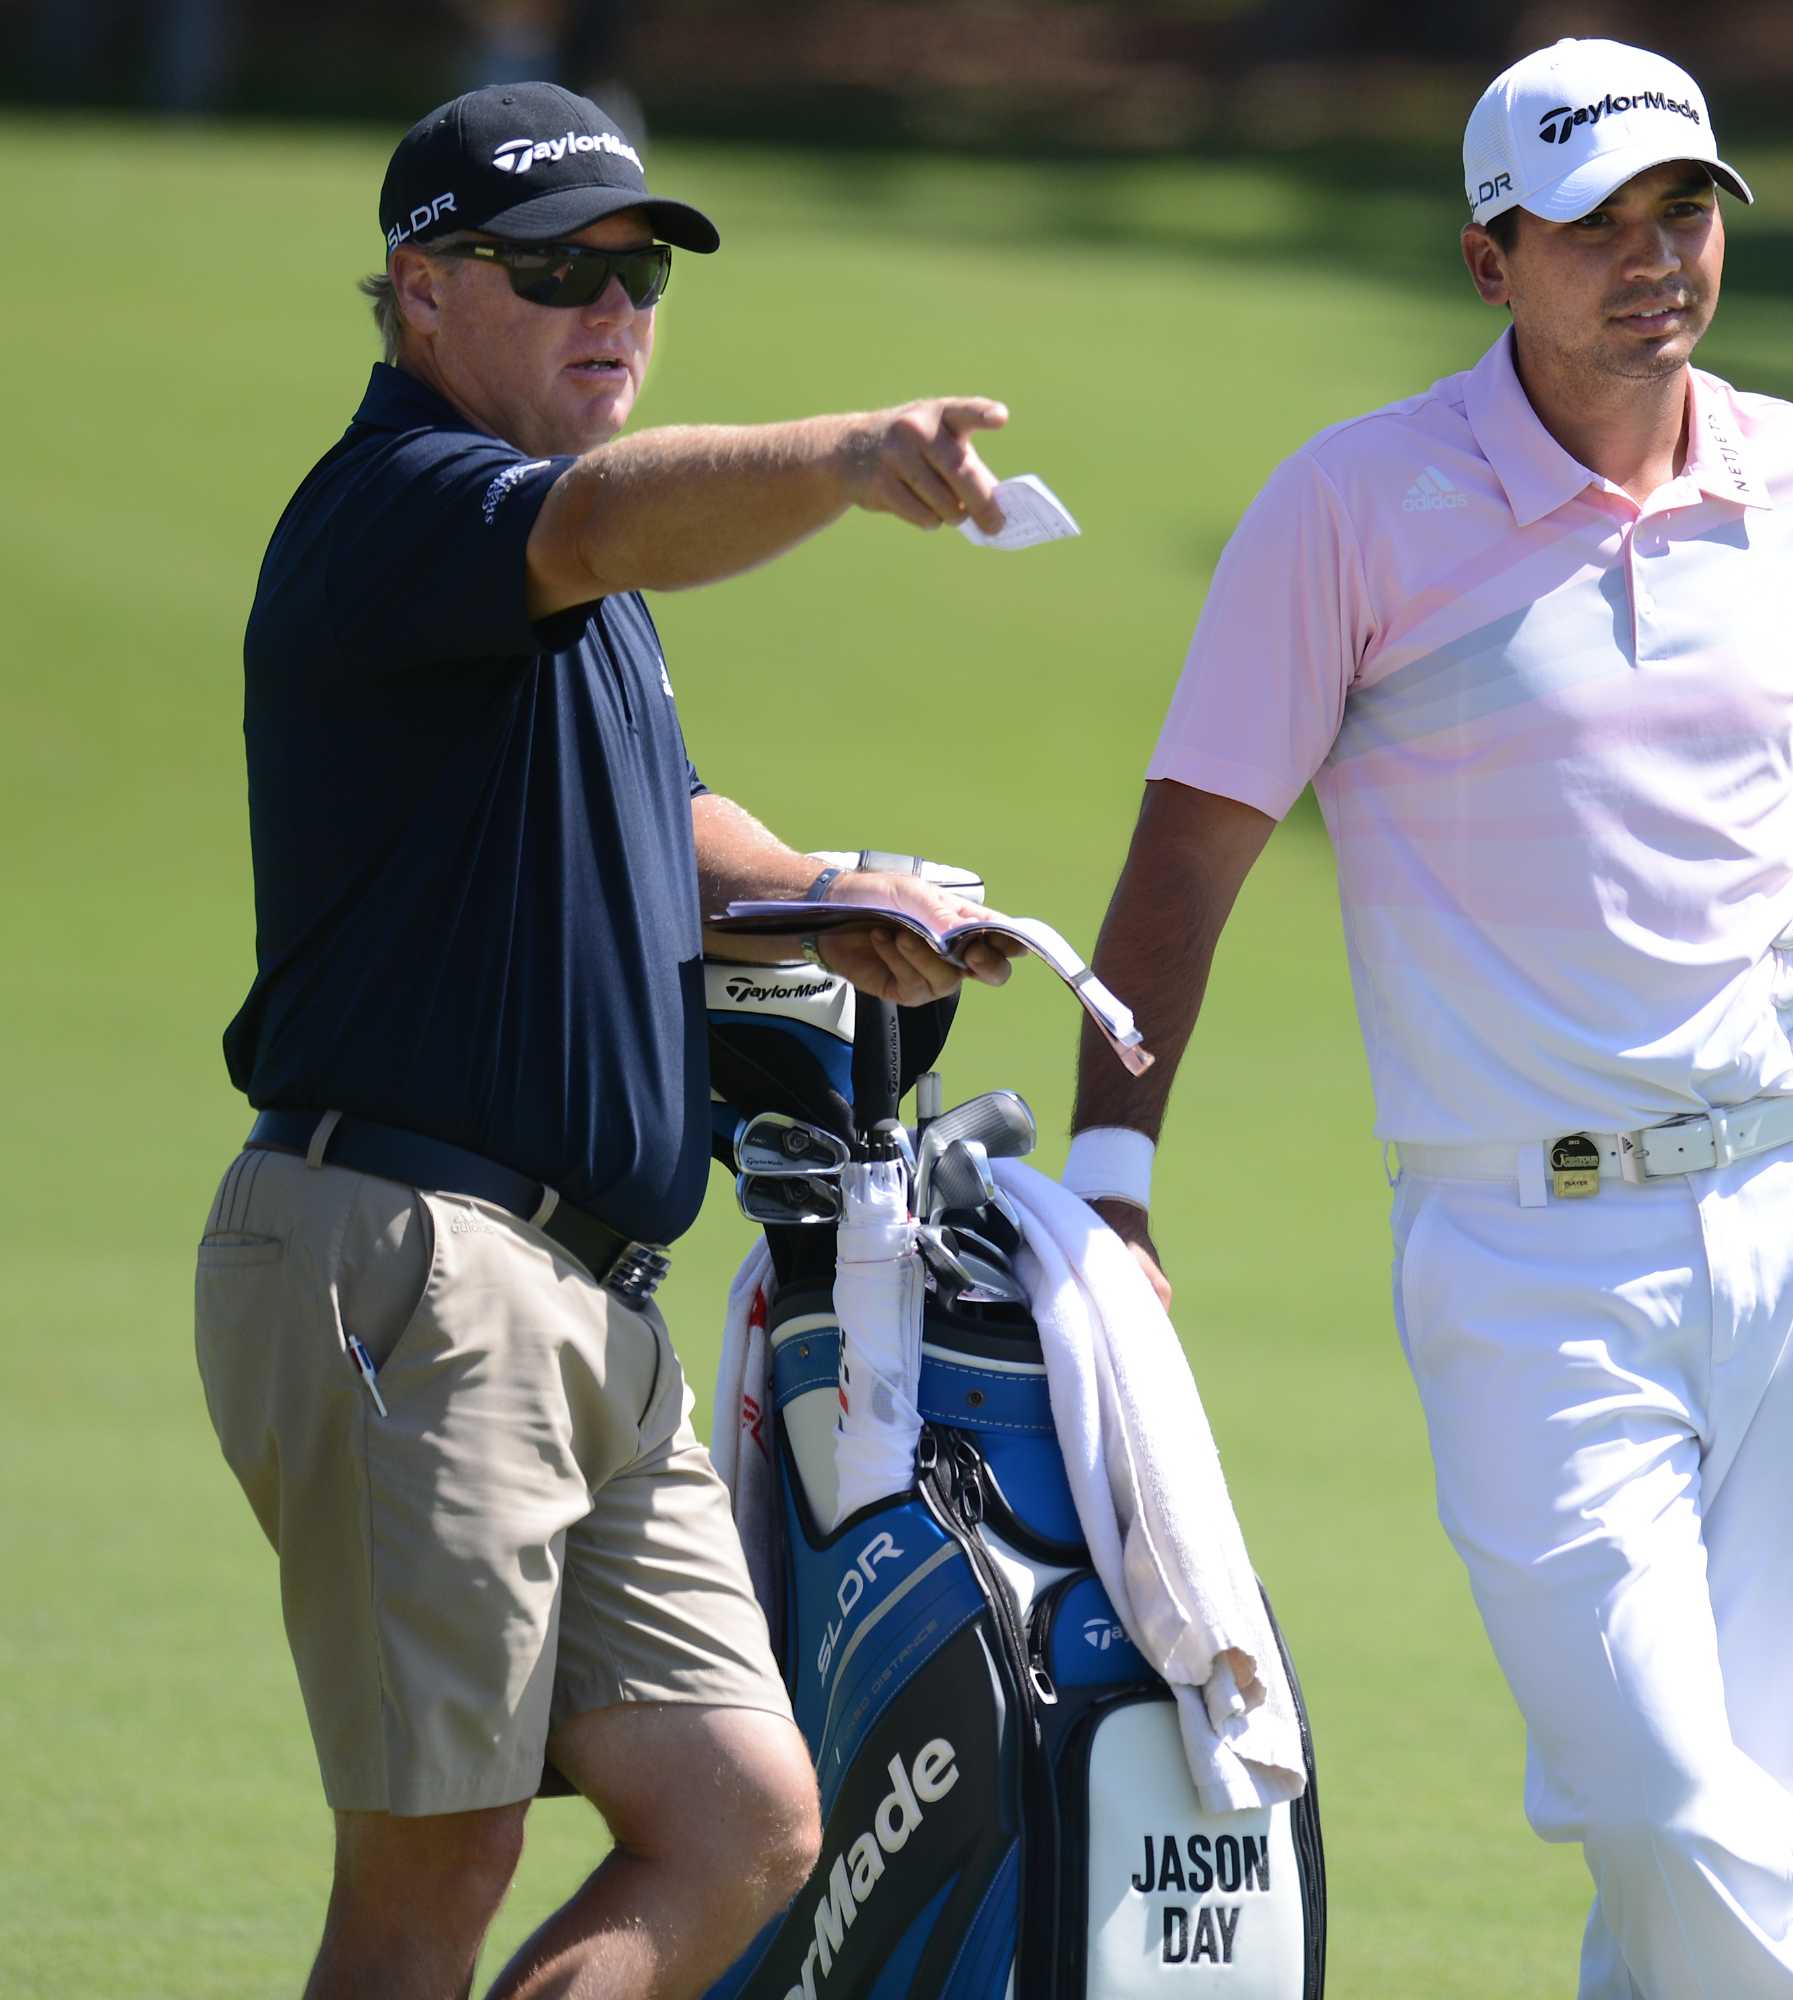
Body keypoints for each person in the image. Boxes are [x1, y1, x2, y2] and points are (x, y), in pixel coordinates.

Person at [1057, 37, 1793, 2000]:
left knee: (1745, 1814)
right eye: (1593, 224)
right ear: (1486, 258)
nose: (1652, 256)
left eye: (1683, 212)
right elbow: (1188, 855)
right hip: (1530, 1260)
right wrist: (1109, 1175)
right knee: (1675, 1801)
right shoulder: (1359, 508)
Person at [197, 82, 1023, 1999]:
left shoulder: (566, 594)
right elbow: (602, 523)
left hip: (579, 1285)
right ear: (418, 290)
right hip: (411, 1251)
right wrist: (843, 457)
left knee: (744, 1818)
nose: (615, 307)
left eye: (637, 271)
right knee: (435, 1867)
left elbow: (673, 826)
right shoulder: (415, 506)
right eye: (555, 268)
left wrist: (833, 897)